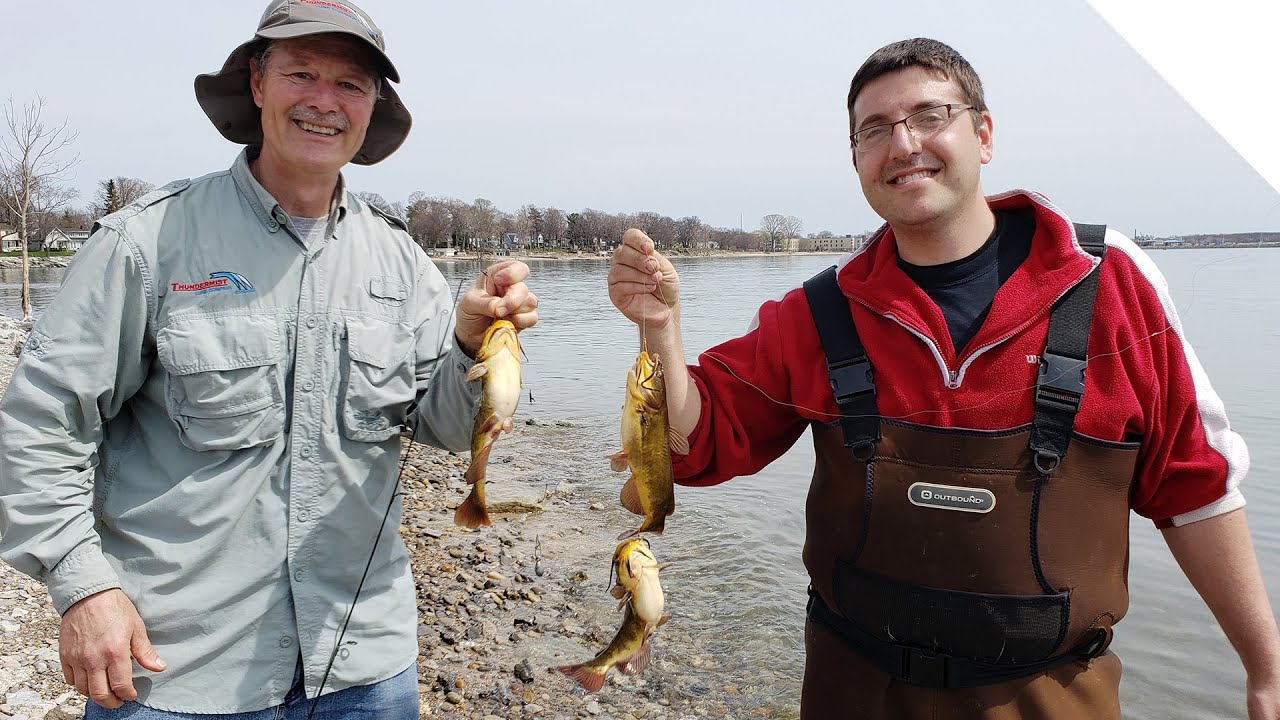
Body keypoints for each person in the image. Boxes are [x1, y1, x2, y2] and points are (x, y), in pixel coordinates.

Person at [608, 38, 1278, 719]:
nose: (902, 145)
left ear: (983, 134)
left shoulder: (1108, 285)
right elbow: (702, 437)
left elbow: (1196, 486)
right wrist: (660, 330)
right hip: (853, 691)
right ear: (857, 160)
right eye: (873, 131)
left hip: (1053, 695)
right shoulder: (820, 311)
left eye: (930, 116)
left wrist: (1265, 668)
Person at [0, 0, 538, 717]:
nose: (324, 101)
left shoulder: (403, 260)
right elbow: (41, 426)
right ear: (257, 83)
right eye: (302, 73)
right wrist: (84, 586)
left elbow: (437, 426)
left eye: (351, 84)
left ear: (374, 105)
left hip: (365, 669)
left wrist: (471, 344)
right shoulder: (147, 243)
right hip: (175, 671)